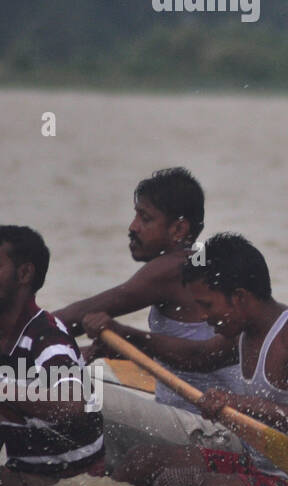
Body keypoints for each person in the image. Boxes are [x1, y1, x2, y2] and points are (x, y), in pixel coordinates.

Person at [85, 233, 288, 486]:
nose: (205, 316)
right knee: (142, 461)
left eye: (207, 305)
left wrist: (237, 403)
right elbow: (197, 357)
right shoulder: (244, 332)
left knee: (190, 485)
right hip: (256, 466)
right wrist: (124, 335)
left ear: (240, 297)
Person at [54, 168, 244, 460]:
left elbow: (81, 314)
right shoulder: (192, 266)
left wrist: (21, 336)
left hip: (214, 429)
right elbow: (179, 349)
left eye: (145, 218)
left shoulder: (173, 268)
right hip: (198, 419)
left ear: (178, 230)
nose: (132, 227)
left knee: (55, 390)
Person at [0, 226, 104, 486]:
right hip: (21, 475)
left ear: (24, 273)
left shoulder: (46, 335)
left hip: (67, 483)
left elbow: (69, 404)